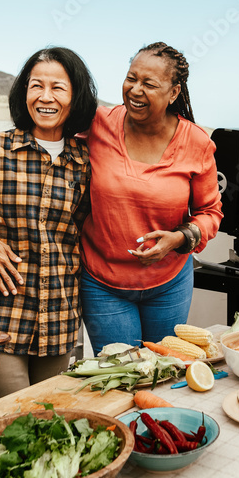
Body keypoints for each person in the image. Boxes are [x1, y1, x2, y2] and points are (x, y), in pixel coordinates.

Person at [0, 48, 98, 401]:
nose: (45, 97)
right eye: (36, 86)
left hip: (59, 314)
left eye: (58, 88)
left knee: (52, 418)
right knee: (12, 419)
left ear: (75, 96)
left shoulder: (86, 163)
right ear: (24, 92)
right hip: (0, 312)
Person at [79, 42, 222, 354]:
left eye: (149, 84)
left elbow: (210, 212)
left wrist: (178, 238)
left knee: (163, 375)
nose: (135, 90)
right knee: (122, 375)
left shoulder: (197, 143)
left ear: (173, 93)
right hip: (103, 284)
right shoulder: (98, 124)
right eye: (131, 78)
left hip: (169, 285)